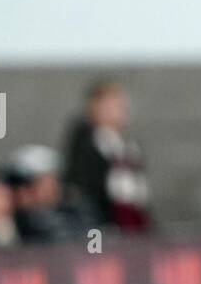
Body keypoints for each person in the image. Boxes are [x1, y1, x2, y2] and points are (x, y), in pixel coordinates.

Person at [61, 80, 151, 232]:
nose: (120, 111)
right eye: (113, 105)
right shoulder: (86, 142)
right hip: (102, 224)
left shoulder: (128, 147)